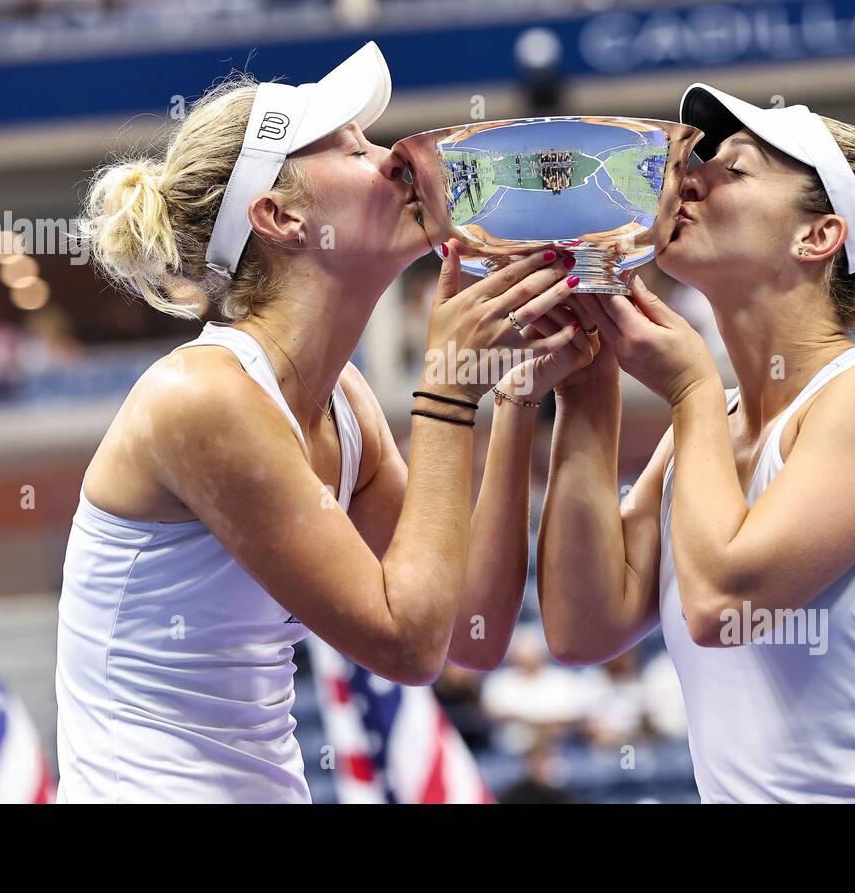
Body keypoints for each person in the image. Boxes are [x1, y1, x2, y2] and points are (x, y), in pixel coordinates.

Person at [55, 43, 589, 802]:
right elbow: (405, 645)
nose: (397, 158)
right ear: (279, 216)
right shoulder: (200, 397)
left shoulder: (347, 399)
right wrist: (444, 392)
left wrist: (511, 399)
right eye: (350, 147)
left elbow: (471, 626)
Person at [489, 83, 855, 802]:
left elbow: (721, 605)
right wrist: (588, 383)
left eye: (734, 168)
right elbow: (581, 627)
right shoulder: (702, 426)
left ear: (816, 236)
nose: (685, 176)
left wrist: (692, 388)